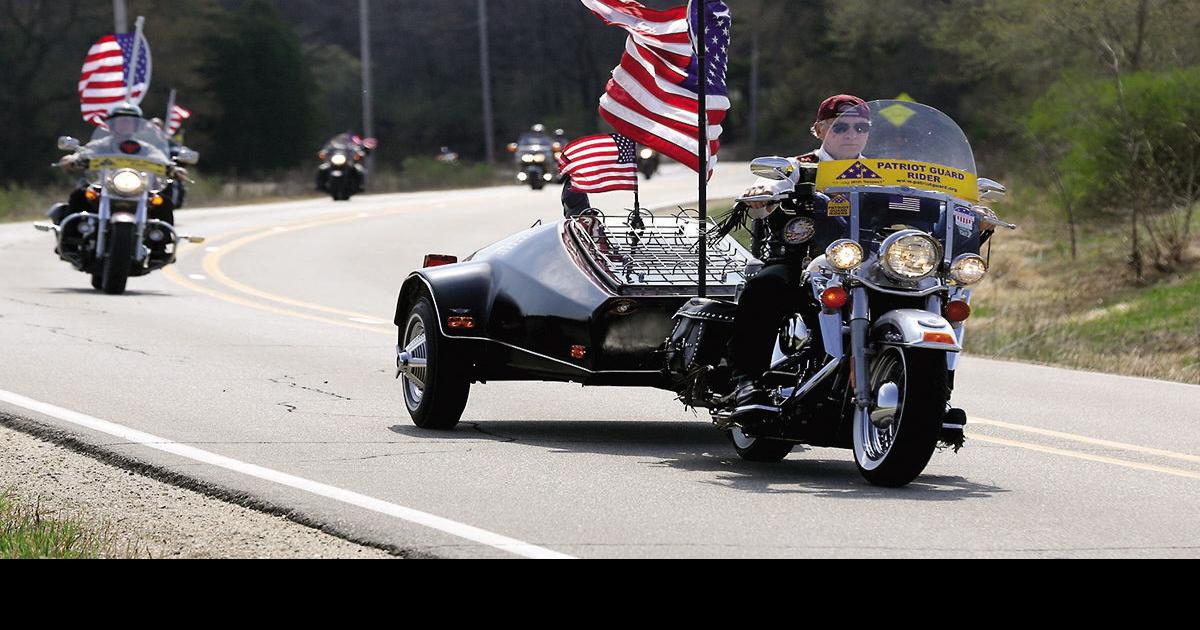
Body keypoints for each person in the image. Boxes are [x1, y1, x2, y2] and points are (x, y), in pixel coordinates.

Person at [727, 94, 870, 426]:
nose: (851, 134)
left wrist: (968, 211)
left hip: (861, 266)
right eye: (841, 126)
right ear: (819, 130)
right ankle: (747, 381)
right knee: (766, 286)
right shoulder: (799, 165)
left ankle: (928, 391)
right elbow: (770, 183)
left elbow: (920, 200)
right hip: (803, 263)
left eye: (860, 127)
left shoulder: (880, 171)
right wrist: (759, 194)